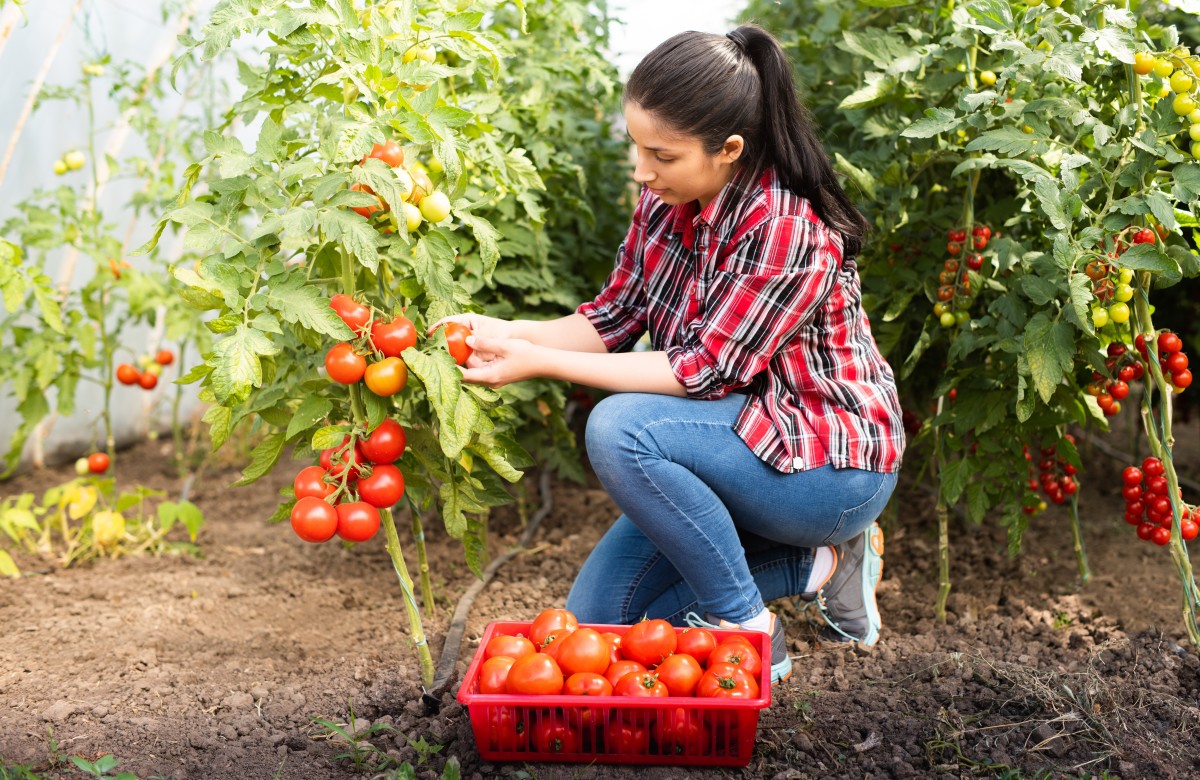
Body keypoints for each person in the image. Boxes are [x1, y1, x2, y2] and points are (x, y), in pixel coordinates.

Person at [430, 24, 905, 685]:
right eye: (637, 147)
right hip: (740, 445)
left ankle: (748, 628)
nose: (642, 170)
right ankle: (826, 567)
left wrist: (538, 363)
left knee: (621, 427)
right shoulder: (664, 203)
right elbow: (613, 319)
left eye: (662, 154)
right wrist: (510, 330)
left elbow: (703, 370)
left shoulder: (786, 228)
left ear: (729, 150)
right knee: (601, 620)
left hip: (829, 472)